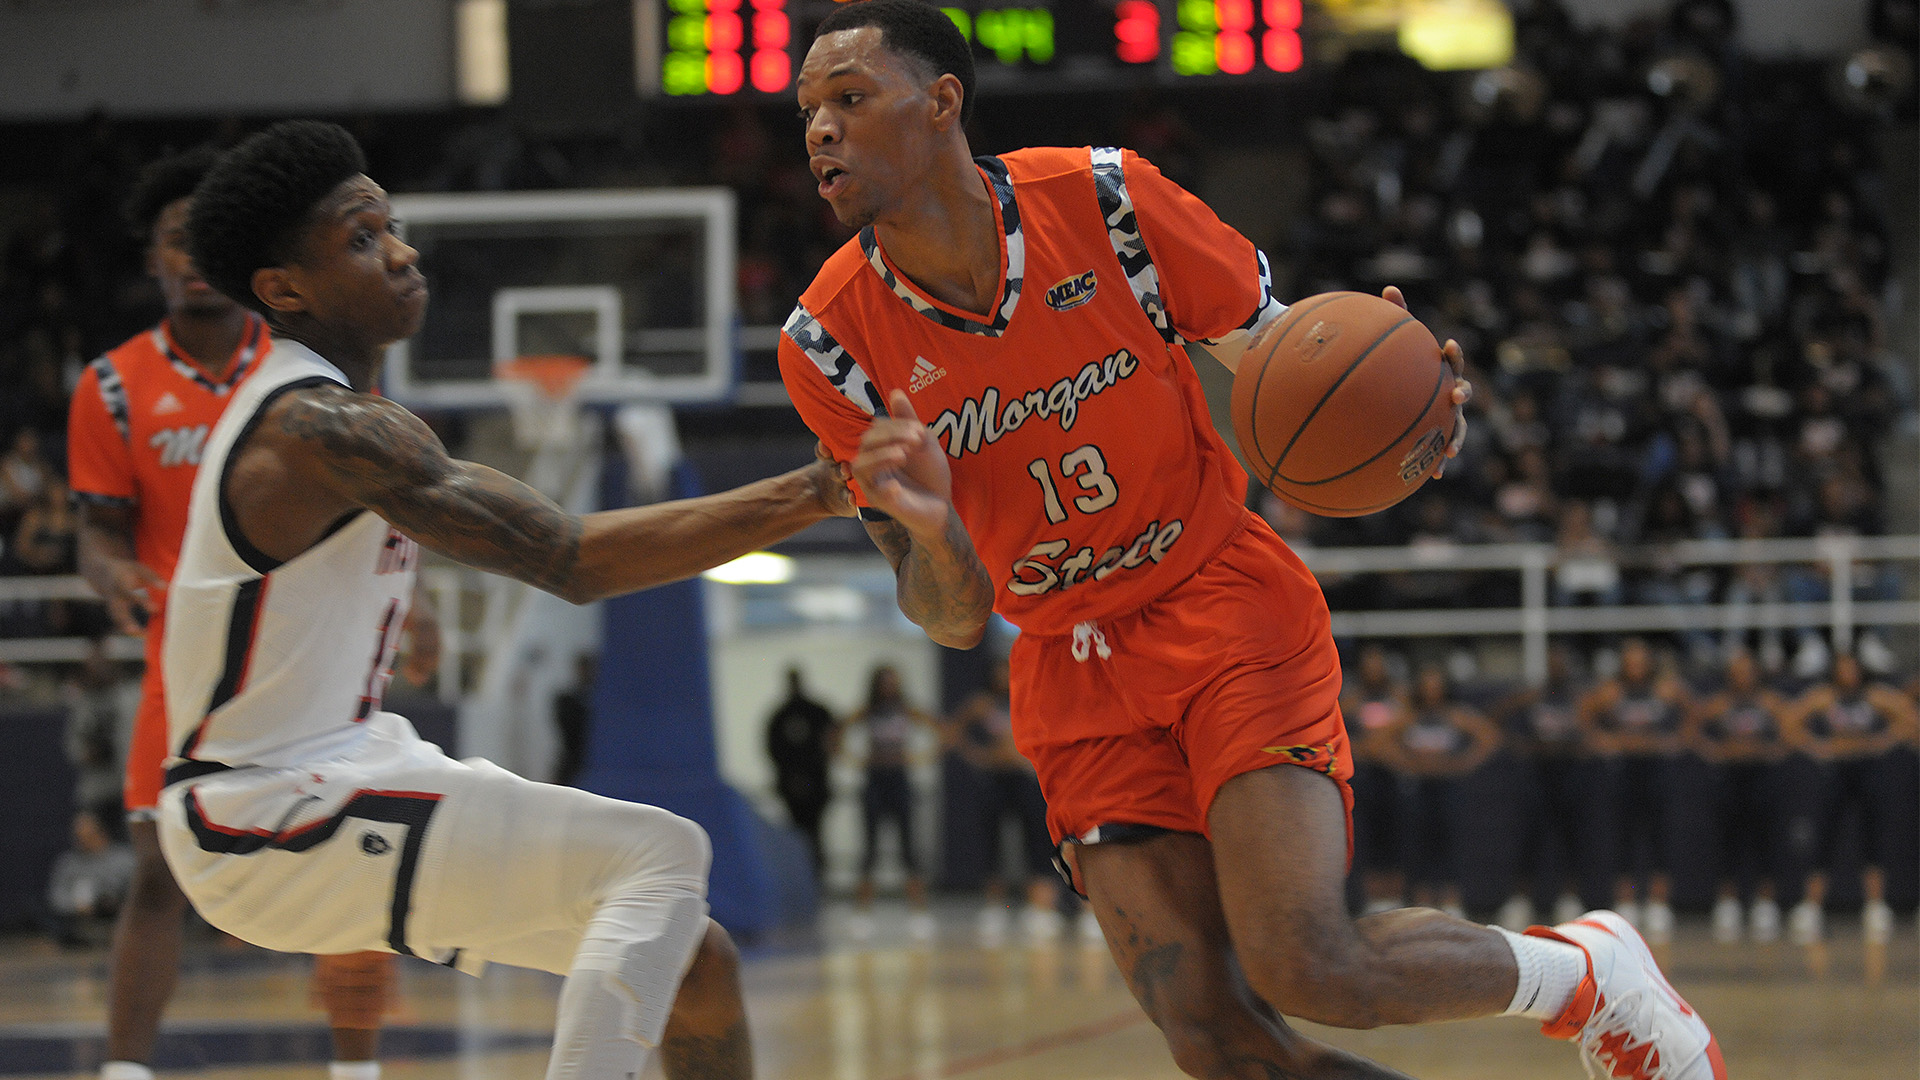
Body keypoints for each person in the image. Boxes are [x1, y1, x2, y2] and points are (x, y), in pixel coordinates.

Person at [775, 3, 1723, 1077]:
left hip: (1220, 603)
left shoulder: (1106, 197)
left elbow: (1282, 357)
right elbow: (946, 618)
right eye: (808, 109)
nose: (819, 131)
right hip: (1067, 667)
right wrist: (935, 532)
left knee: (1312, 965)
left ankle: (1587, 972)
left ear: (942, 100)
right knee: (1212, 1041)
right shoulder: (825, 342)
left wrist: (1400, 403)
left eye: (849, 100)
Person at [165, 120, 851, 1080]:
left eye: (391, 226)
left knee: (693, 961)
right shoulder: (316, 425)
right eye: (362, 241)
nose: (402, 252)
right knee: (660, 855)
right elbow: (567, 558)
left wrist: (406, 607)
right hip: (256, 811)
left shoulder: (334, 419)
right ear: (285, 290)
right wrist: (815, 490)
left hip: (336, 764)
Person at [65, 145, 408, 1080]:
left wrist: (413, 610)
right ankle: (125, 1070)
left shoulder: (307, 365)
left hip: (305, 644)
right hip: (186, 656)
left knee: (358, 856)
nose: (186, 256)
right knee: (154, 871)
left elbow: (389, 489)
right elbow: (96, 532)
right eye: (171, 239)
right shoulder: (109, 388)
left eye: (198, 237)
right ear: (154, 259)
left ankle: (357, 1067)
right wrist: (111, 575)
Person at [1778, 652, 1918, 945]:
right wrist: (1817, 746)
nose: (1847, 673)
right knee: (1825, 838)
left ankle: (1876, 907)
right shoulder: (1825, 697)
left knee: (1874, 837)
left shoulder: (1874, 696)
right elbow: (1790, 720)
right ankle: (1812, 907)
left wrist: (1883, 741)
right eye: (1842, 667)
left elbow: (1908, 716)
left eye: (1852, 667)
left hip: (1868, 771)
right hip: (1835, 772)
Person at [1576, 637, 1690, 943]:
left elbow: (1695, 712)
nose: (1636, 667)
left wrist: (1676, 738)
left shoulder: (1664, 689)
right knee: (1624, 837)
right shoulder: (1612, 691)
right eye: (1630, 661)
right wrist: (1603, 740)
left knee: (1659, 837)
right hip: (1624, 771)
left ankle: (1657, 902)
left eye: (1641, 661)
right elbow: (1584, 712)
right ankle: (1627, 901)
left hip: (1657, 769)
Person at [947, 656, 1066, 944]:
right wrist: (978, 756)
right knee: (992, 842)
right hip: (994, 779)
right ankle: (995, 907)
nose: (1003, 677)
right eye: (998, 672)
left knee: (1037, 840)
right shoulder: (982, 703)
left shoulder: (1028, 698)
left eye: (1007, 671)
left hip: (1024, 777)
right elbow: (953, 730)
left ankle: (1040, 907)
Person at [1684, 648, 1789, 944]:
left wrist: (1770, 750)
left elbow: (1791, 727)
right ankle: (1728, 901)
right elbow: (1692, 727)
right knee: (1728, 839)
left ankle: (1765, 903)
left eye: (1747, 671)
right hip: (1729, 778)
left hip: (1761, 777)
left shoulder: (1768, 703)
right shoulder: (1720, 704)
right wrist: (1716, 751)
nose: (1742, 677)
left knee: (1765, 840)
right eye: (1737, 672)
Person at [1492, 643, 1601, 927]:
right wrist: (1518, 743)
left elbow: (1597, 726)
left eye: (1561, 663)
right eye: (1551, 663)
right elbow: (1497, 714)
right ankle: (1520, 899)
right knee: (1530, 839)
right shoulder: (1533, 697)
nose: (1556, 668)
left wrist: (1585, 741)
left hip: (1570, 773)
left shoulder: (1579, 699)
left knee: (1572, 838)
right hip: (1538, 775)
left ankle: (1570, 899)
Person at [844, 664, 936, 941]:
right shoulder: (868, 711)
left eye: (893, 681)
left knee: (909, 847)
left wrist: (921, 756)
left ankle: (918, 912)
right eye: (884, 681)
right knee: (869, 848)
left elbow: (941, 730)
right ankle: (862, 913)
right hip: (874, 780)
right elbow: (836, 734)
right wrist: (854, 759)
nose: (888, 686)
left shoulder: (907, 710)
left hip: (900, 779)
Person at [1338, 645, 1411, 915]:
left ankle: (1397, 899)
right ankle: (1365, 900)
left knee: (1396, 840)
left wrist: (1379, 745)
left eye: (1378, 665)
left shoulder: (1399, 698)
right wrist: (1373, 747)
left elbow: (1406, 729)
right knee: (1361, 841)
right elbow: (1341, 737)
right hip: (1362, 780)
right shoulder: (1350, 701)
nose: (1374, 671)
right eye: (1369, 666)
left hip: (1394, 779)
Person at [764, 666, 838, 873]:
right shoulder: (781, 715)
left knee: (815, 832)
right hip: (793, 784)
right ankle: (805, 874)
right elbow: (774, 751)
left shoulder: (815, 712)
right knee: (798, 832)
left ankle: (816, 875)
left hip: (815, 783)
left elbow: (833, 743)